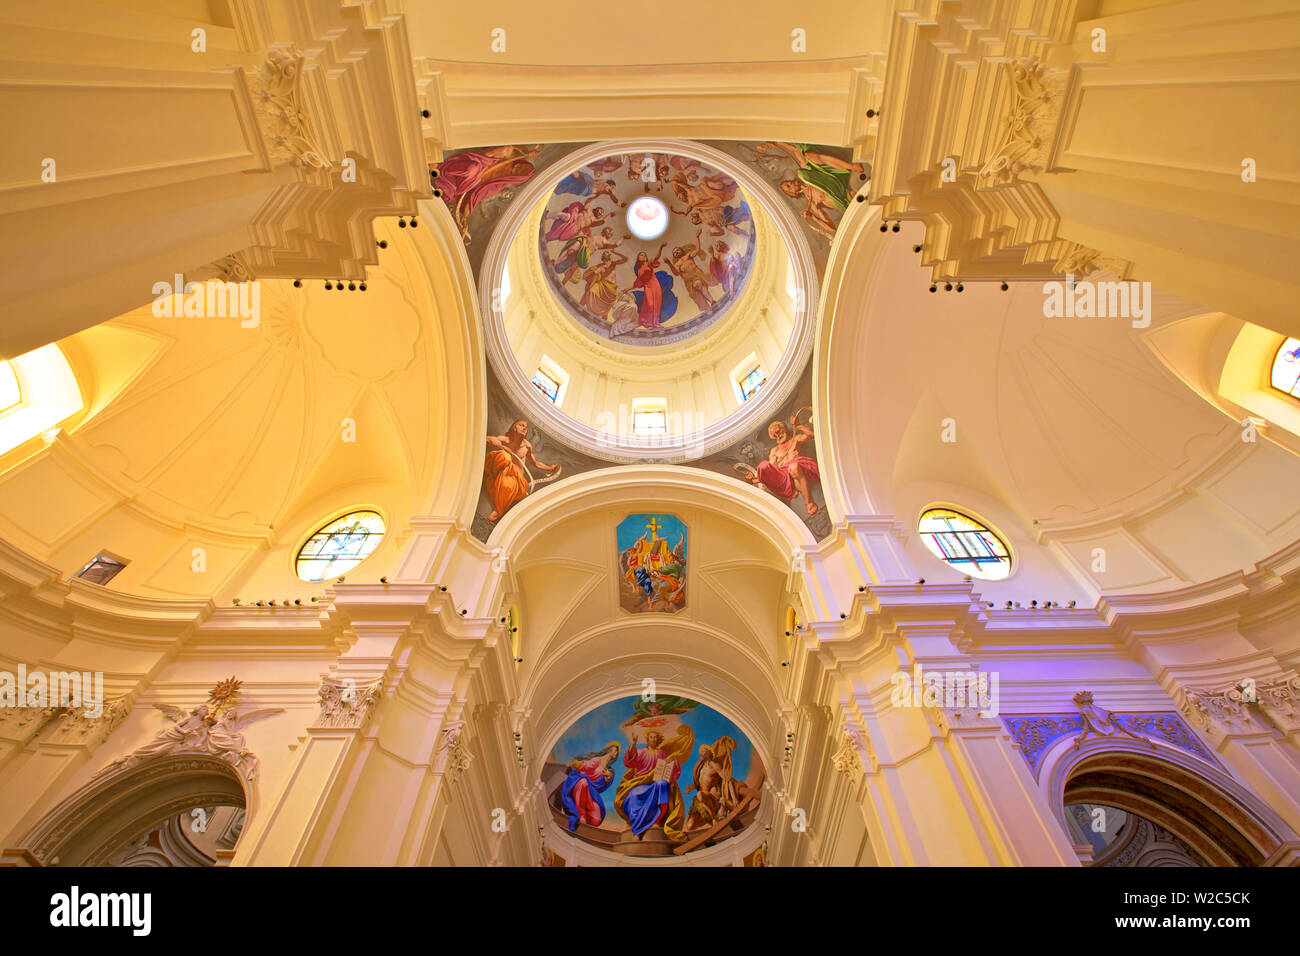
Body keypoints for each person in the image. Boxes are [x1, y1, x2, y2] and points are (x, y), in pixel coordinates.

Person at [615, 726, 694, 841]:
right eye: (651, 737)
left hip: (656, 783)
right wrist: (634, 743)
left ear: (658, 740)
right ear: (647, 739)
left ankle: (657, 821)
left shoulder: (661, 753)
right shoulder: (641, 752)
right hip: (641, 783)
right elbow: (629, 761)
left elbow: (670, 767)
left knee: (662, 784)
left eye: (655, 737)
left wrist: (672, 761)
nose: (653, 739)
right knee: (634, 795)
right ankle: (637, 829)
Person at [483, 420, 559, 521]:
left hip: (515, 478)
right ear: (514, 427)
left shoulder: (527, 447)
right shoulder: (504, 440)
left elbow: (535, 463)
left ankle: (496, 512)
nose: (524, 428)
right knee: (503, 455)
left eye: (526, 427)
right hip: (500, 470)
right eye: (521, 425)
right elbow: (488, 439)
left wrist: (550, 468)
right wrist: (505, 448)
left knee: (507, 485)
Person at [749, 409, 821, 515]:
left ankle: (809, 502)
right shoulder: (775, 451)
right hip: (783, 477)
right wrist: (752, 480)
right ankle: (792, 489)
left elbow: (813, 435)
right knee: (763, 465)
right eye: (774, 435)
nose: (777, 436)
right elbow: (770, 471)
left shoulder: (795, 439)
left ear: (784, 429)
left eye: (778, 432)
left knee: (794, 468)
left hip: (799, 468)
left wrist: (799, 425)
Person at [560, 742, 621, 832]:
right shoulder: (597, 760)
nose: (617, 753)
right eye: (615, 751)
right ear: (609, 750)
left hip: (591, 793)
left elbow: (608, 780)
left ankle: (586, 820)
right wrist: (578, 764)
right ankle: (581, 815)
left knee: (596, 819)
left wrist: (608, 775)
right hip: (579, 786)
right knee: (583, 782)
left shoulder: (610, 770)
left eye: (617, 752)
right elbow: (587, 766)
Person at [630, 243, 670, 329]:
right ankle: (648, 322)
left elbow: (656, 257)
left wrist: (661, 247)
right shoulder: (639, 269)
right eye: (641, 255)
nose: (643, 256)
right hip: (647, 287)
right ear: (638, 258)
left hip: (655, 285)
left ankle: (655, 323)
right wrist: (627, 289)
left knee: (657, 304)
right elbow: (637, 282)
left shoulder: (648, 263)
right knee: (650, 304)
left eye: (644, 255)